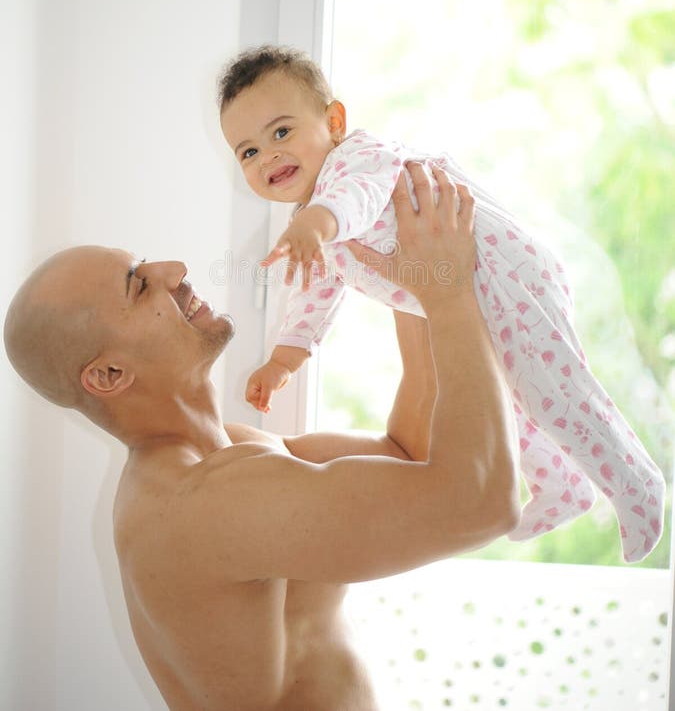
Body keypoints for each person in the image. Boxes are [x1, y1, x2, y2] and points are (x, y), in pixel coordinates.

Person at [4, 163, 520, 711]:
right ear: (109, 376)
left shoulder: (235, 450)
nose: (175, 270)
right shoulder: (201, 500)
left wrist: (418, 286)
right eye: (139, 284)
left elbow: (408, 455)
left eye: (144, 261)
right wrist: (450, 296)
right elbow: (481, 502)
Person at [219, 44, 666, 564]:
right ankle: (562, 486)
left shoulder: (357, 161)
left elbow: (357, 198)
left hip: (506, 276)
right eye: (248, 152)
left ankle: (637, 484)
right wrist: (284, 359)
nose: (268, 155)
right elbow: (316, 293)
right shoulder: (314, 218)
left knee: (553, 392)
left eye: (281, 132)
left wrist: (316, 224)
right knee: (512, 401)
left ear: (334, 121)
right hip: (466, 293)